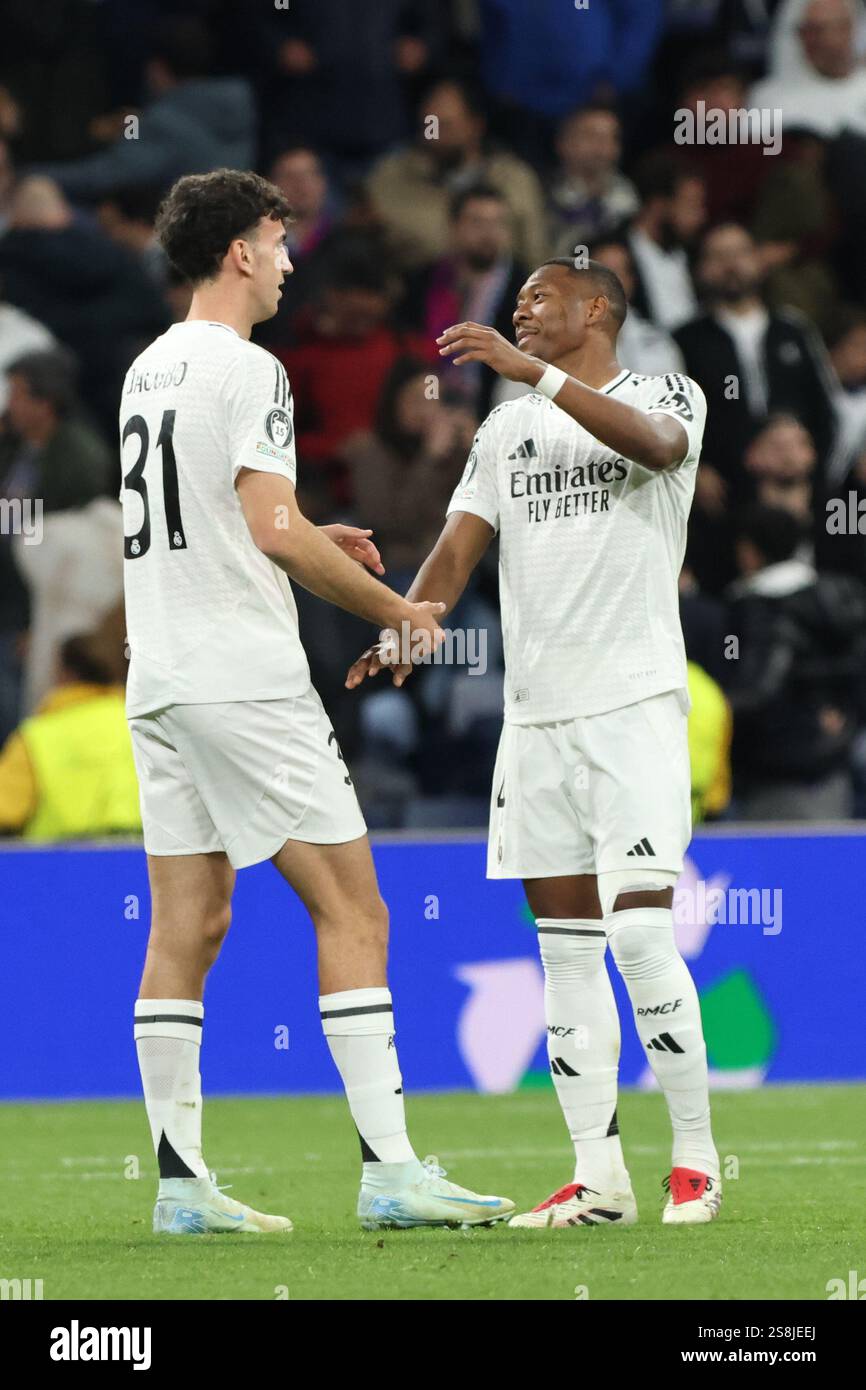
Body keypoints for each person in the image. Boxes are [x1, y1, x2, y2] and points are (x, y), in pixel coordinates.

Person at [122, 168, 512, 1235]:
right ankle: (389, 1171)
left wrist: (301, 529)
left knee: (186, 925)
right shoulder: (252, 370)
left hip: (157, 677)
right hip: (241, 678)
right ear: (239, 252)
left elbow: (225, 517)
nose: (291, 261)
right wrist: (399, 608)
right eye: (278, 241)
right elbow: (269, 532)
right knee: (354, 909)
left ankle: (179, 1187)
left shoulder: (146, 369)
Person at [347, 257, 721, 1228]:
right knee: (563, 955)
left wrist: (532, 370)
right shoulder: (502, 432)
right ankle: (597, 1177)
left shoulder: (661, 388)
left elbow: (655, 446)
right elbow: (456, 550)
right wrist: (406, 619)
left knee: (639, 935)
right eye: (515, 303)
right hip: (536, 724)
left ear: (596, 309)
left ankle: (695, 1161)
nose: (520, 309)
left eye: (540, 297)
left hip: (630, 706)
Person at [0, 633, 140, 841]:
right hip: (147, 860)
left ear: (64, 673)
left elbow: (6, 811)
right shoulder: (141, 723)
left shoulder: (36, 736)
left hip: (58, 866)